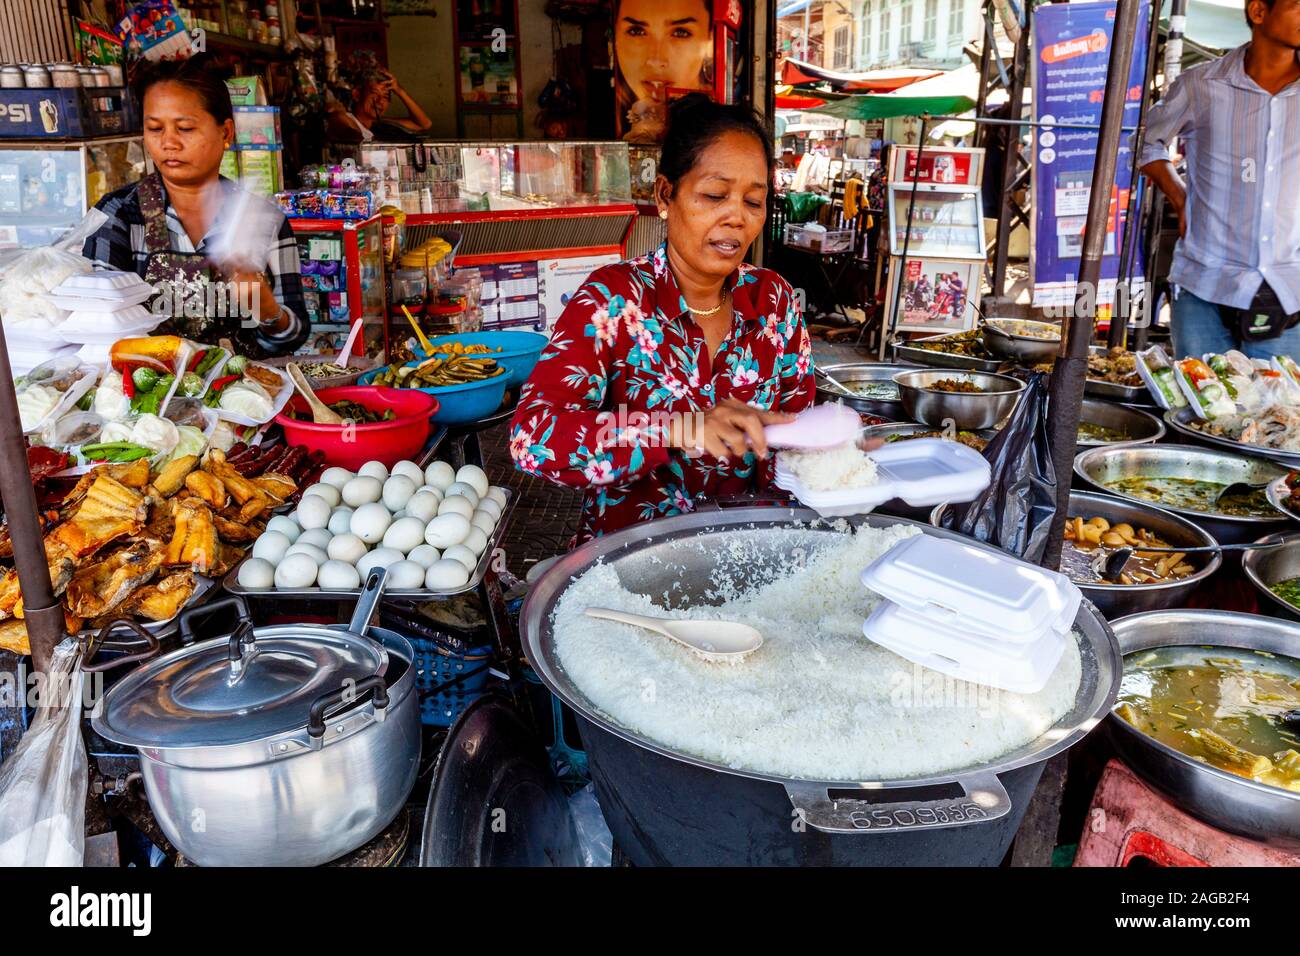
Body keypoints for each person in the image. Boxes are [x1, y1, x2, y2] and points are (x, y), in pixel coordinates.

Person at [509, 95, 820, 546]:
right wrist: (678, 427)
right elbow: (533, 437)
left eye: (754, 201)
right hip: (629, 563)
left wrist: (837, 452)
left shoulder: (774, 300)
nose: (736, 216)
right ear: (664, 195)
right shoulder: (612, 300)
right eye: (714, 195)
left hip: (754, 555)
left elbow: (797, 428)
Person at [82, 55, 308, 356]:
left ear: (226, 132)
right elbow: (96, 329)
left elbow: (293, 337)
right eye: (155, 128)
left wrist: (267, 310)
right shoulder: (119, 216)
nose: (169, 143)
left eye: (185, 128)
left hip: (244, 395)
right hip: (147, 397)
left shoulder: (264, 220)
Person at [1138, 0, 1300, 359]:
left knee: (1277, 414)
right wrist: (1179, 197)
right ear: (1259, 11)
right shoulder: (1201, 85)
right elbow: (1144, 143)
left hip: (1290, 291)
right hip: (1204, 284)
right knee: (1196, 409)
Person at [614, 0, 714, 142]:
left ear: (709, 40)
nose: (655, 60)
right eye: (637, 31)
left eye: (680, 32)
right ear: (616, 40)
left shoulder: (715, 130)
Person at [326, 67, 432, 143]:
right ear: (357, 94)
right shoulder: (342, 117)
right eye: (374, 93)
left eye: (385, 96)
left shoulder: (381, 124)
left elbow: (423, 124)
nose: (380, 101)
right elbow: (356, 138)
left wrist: (399, 91)